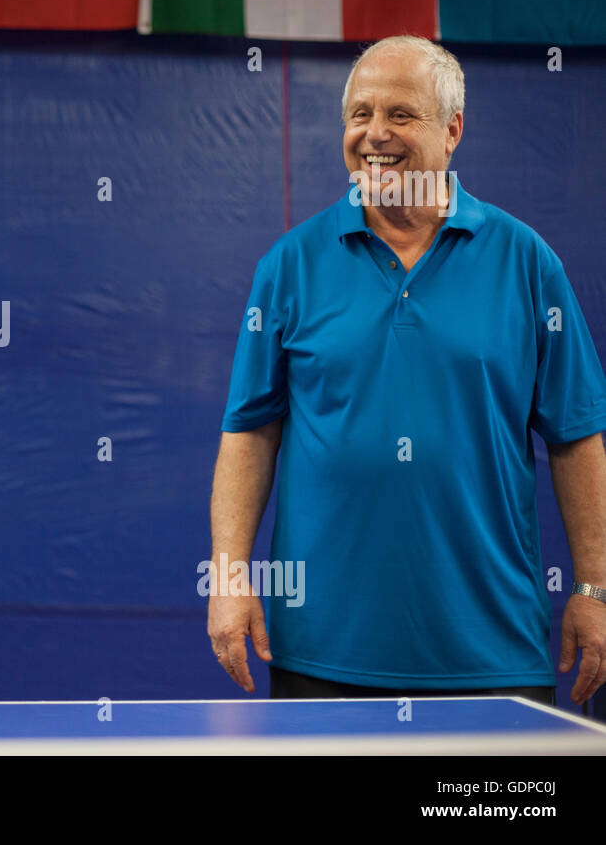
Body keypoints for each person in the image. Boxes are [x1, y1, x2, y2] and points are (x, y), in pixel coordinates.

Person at [209, 36, 606, 706]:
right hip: (322, 649)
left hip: (493, 651)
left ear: (452, 130)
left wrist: (595, 588)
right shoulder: (290, 264)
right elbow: (250, 432)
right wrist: (228, 575)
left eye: (401, 114)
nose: (375, 134)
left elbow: (577, 436)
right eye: (360, 114)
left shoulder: (527, 262)